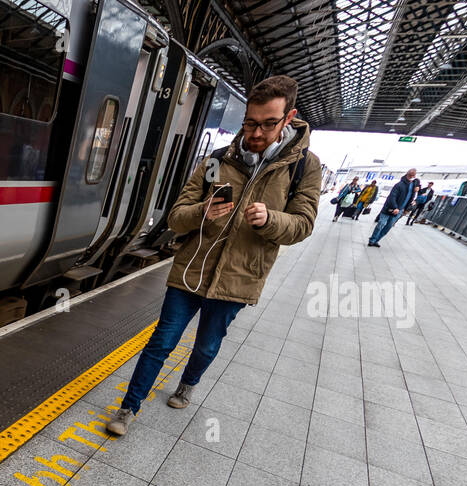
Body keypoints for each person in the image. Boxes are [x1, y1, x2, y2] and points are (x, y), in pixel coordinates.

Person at [105, 74, 321, 435]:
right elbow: (176, 215)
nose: (255, 133)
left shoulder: (304, 167)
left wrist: (270, 220)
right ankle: (128, 407)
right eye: (250, 123)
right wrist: (202, 211)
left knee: (206, 346)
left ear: (288, 118)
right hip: (191, 268)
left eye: (268, 124)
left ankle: (189, 383)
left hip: (239, 278)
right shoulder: (217, 160)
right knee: (162, 341)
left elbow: (303, 224)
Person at [368, 169, 419, 246]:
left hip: (400, 210)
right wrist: (395, 207)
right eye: (410, 175)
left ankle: (376, 240)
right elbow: (392, 196)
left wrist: (406, 209)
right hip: (390, 208)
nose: (411, 177)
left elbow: (417, 183)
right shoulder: (399, 184)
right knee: (381, 224)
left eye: (413, 176)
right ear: (407, 174)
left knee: (388, 227)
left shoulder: (414, 185)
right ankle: (372, 240)